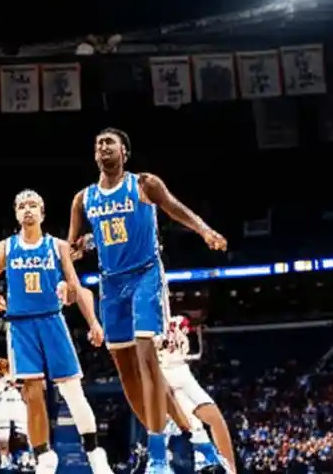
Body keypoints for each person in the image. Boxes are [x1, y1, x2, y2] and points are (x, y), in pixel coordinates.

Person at [68, 128, 227, 474]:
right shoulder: (83, 199)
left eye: (109, 143)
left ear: (124, 151)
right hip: (111, 286)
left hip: (145, 276)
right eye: (98, 144)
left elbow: (175, 209)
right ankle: (198, 442)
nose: (103, 147)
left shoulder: (143, 184)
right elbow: (76, 247)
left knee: (146, 356)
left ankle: (158, 455)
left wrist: (205, 231)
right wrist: (75, 260)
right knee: (127, 376)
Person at [0, 190, 113, 474]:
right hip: (20, 326)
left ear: (43, 212)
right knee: (32, 393)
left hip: (53, 320)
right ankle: (44, 458)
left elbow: (75, 286)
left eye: (33, 205)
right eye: (22, 206)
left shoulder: (58, 246)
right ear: (16, 213)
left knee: (73, 390)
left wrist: (94, 323)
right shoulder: (3, 249)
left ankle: (95, 455)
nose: (27, 210)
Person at [158, 316, 235, 473]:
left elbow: (192, 321)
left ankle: (231, 469)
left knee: (215, 419)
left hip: (182, 371)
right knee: (187, 426)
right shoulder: (146, 319)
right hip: (164, 373)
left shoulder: (178, 320)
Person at [0, 358, 29, 472]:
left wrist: (16, 386)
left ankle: (25, 458)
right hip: (2, 411)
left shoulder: (17, 379)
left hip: (18, 410)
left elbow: (26, 394)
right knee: (2, 438)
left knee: (22, 436)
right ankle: (4, 460)